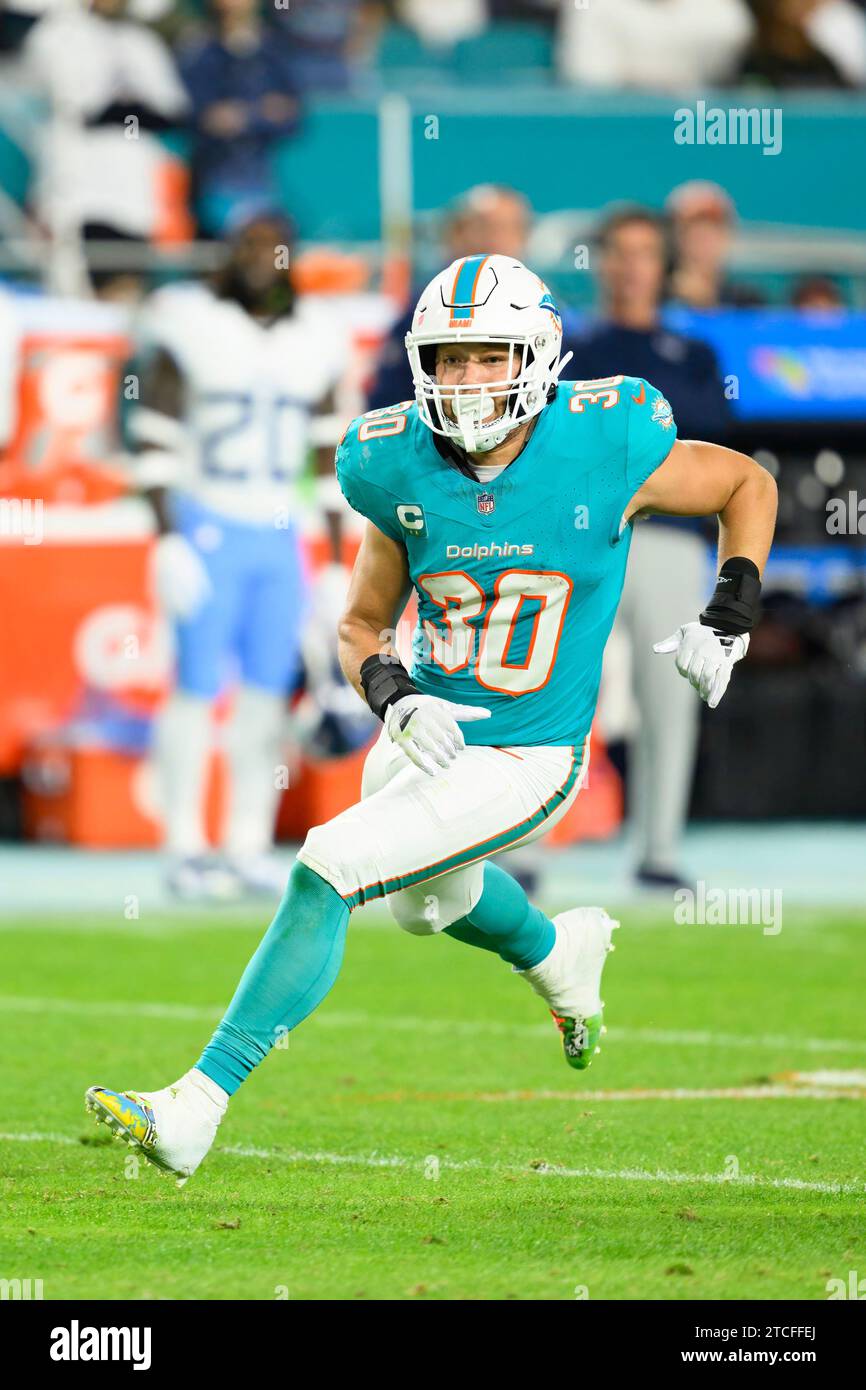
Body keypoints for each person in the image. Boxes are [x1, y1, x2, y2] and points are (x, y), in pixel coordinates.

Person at [86, 253, 777, 1183]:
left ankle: (195, 1106)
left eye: (486, 356)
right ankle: (558, 954)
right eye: (447, 359)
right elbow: (363, 625)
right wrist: (394, 695)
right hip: (433, 734)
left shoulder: (608, 437)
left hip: (531, 751)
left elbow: (747, 485)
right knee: (430, 904)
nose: (464, 379)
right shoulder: (390, 457)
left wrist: (729, 611)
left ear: (534, 355)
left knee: (328, 864)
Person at [128, 209, 348, 899]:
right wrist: (167, 537)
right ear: (228, 255)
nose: (261, 260)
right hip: (208, 522)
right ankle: (184, 845)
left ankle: (246, 842)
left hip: (279, 532)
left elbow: (330, 449)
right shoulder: (187, 321)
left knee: (266, 699)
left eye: (275, 249)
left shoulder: (319, 336)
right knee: (195, 690)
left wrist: (340, 557)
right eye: (250, 247)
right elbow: (154, 435)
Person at [567, 205, 733, 887]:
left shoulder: (693, 354)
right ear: (600, 262)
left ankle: (658, 850)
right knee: (555, 689)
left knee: (671, 694)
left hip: (668, 536)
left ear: (663, 267)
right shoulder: (574, 347)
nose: (630, 265)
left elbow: (717, 446)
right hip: (586, 539)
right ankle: (520, 848)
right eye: (617, 251)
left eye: (643, 252)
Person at [367, 184, 530, 411]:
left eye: (508, 228)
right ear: (454, 235)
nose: (496, 239)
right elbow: (388, 400)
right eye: (483, 228)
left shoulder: (543, 306)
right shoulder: (426, 309)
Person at [178, 0, 299, 237]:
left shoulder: (273, 52)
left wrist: (241, 116)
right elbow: (202, 118)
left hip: (263, 187)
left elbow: (292, 116)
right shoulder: (198, 54)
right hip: (212, 188)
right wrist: (262, 111)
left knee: (273, 246)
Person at [666, 181, 765, 310]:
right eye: (691, 230)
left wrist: (707, 301)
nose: (703, 239)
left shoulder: (747, 299)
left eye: (713, 229)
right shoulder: (655, 299)